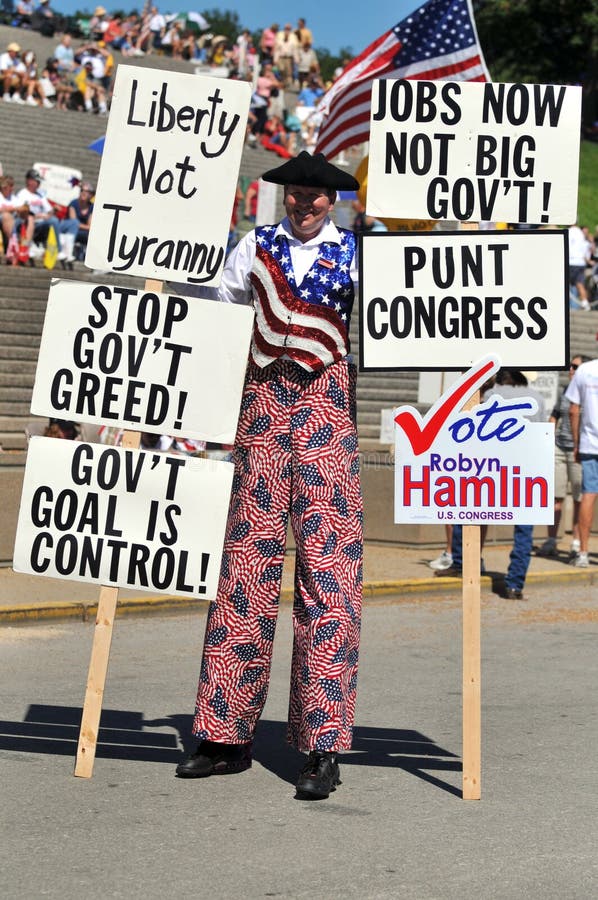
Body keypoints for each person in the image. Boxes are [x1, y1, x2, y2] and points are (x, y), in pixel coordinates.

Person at [175, 152, 362, 801]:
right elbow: (215, 310)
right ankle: (224, 734)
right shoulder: (255, 246)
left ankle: (323, 743)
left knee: (328, 579)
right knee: (243, 571)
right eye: (297, 193)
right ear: (285, 195)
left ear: (333, 200)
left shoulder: (361, 256)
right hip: (260, 409)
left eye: (316, 195)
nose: (306, 203)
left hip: (327, 419)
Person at [437, 370, 547, 599]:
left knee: (471, 514)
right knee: (524, 531)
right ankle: (514, 585)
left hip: (491, 467)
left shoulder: (490, 395)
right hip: (526, 469)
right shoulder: (537, 398)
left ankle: (465, 561)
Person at [536, 356, 585, 559]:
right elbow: (555, 414)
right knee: (555, 496)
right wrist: (547, 438)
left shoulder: (590, 391)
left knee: (578, 498)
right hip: (559, 447)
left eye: (575, 366)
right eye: (570, 366)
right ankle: (551, 540)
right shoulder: (565, 391)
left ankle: (576, 541)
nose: (571, 369)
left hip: (579, 450)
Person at [566, 356, 598, 568]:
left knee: (588, 495)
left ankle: (583, 552)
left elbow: (573, 410)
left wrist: (577, 443)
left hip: (590, 443)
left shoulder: (585, 370)